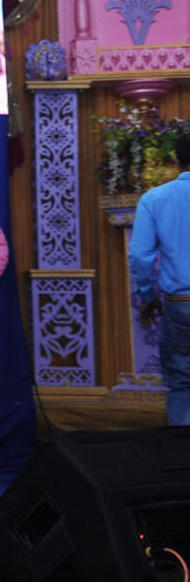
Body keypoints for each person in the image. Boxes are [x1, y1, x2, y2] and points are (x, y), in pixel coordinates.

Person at [129, 132, 190, 427]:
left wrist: (148, 297)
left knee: (182, 384)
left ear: (176, 159)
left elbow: (141, 256)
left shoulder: (155, 198)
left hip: (181, 306)